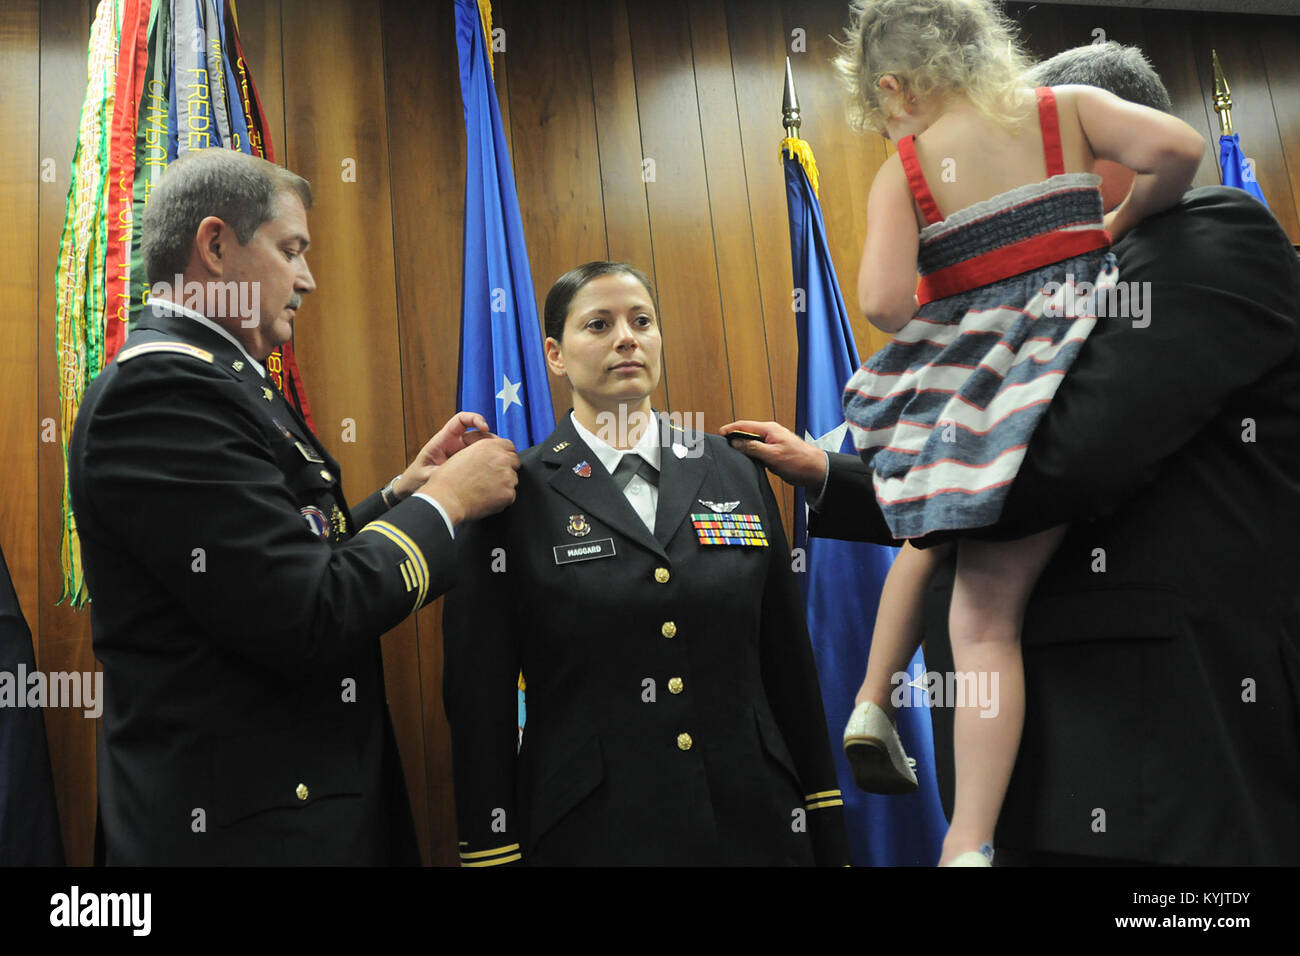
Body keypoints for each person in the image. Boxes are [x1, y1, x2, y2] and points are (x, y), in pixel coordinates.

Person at [728, 40, 1300, 866]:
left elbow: (1067, 458)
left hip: (1166, 762)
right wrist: (834, 477)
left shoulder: (1205, 239)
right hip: (1068, 761)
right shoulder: (1057, 277)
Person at [68, 148, 520, 865]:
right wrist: (445, 504)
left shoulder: (221, 379)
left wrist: (399, 495)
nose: (307, 280)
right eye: (291, 250)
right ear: (215, 246)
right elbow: (308, 613)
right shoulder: (162, 394)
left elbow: (285, 562)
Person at [442, 261, 848, 866]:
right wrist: (493, 852)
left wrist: (823, 820)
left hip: (756, 824)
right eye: (599, 324)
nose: (627, 338)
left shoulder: (734, 468)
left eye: (642, 321)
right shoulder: (508, 492)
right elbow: (481, 703)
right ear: (555, 355)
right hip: (596, 832)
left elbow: (788, 662)